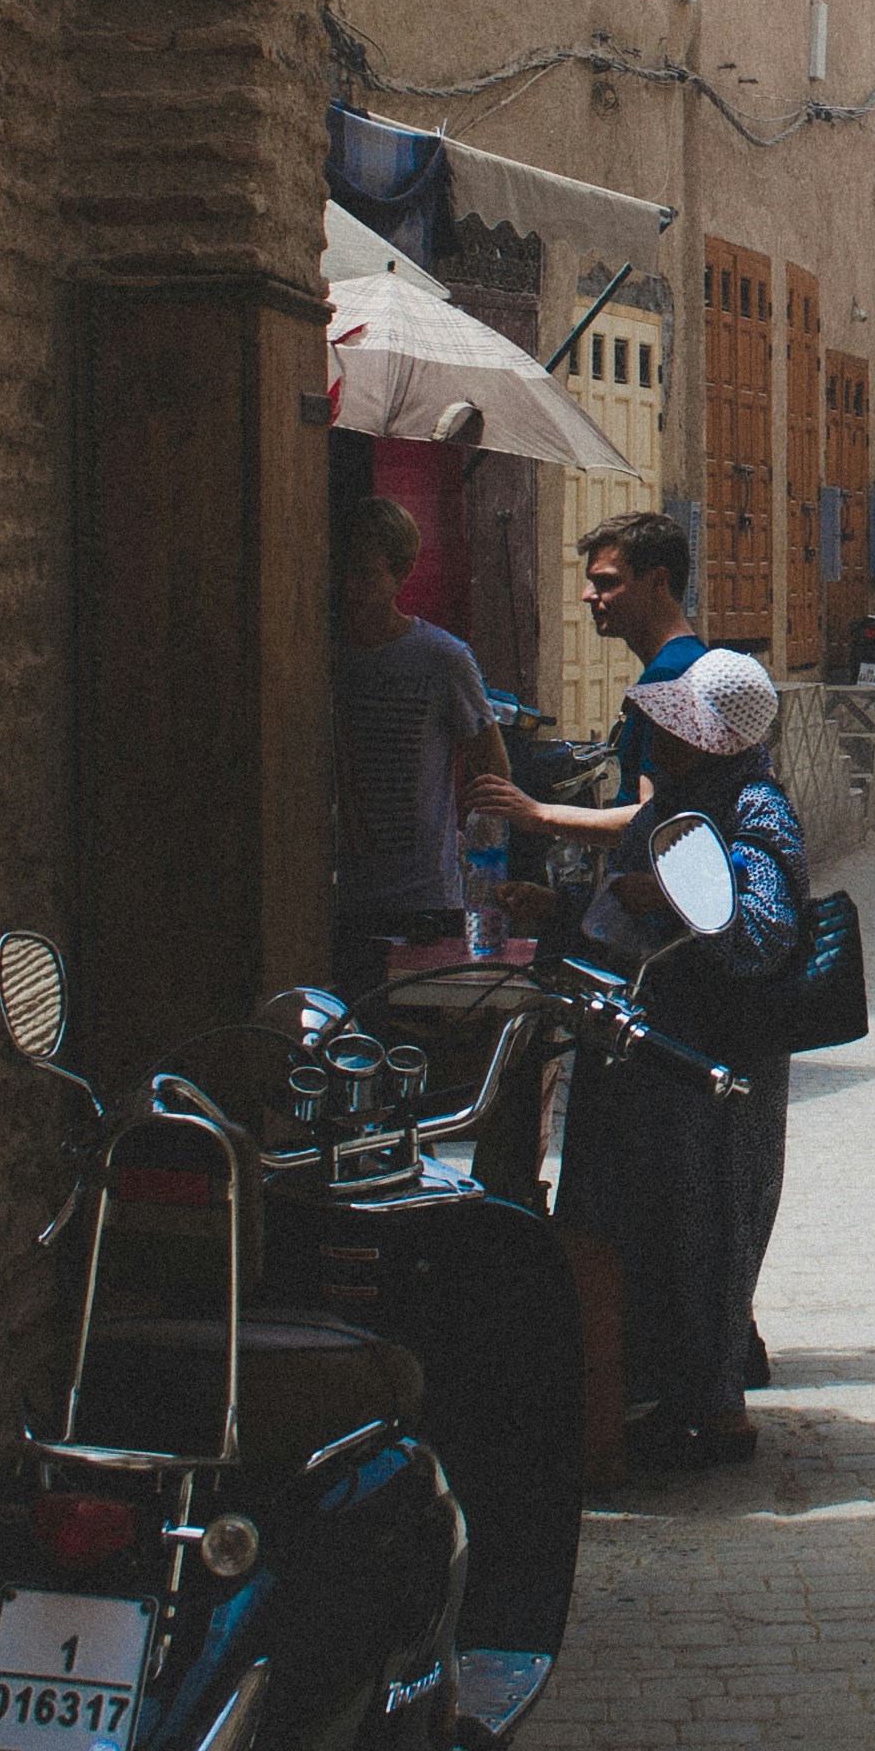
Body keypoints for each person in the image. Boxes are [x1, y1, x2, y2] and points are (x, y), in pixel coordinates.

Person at [564, 646, 805, 1470]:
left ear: (715, 741)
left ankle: (714, 1412)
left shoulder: (754, 812)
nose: (654, 740)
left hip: (712, 1066)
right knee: (653, 1227)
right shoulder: (672, 805)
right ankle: (662, 1396)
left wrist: (663, 902)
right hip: (653, 1054)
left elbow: (759, 934)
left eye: (673, 729)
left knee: (711, 1226)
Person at [333, 496, 509, 997]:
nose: (350, 589)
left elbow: (493, 772)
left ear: (402, 573)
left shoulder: (441, 659)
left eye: (366, 575)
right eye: (343, 572)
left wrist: (480, 879)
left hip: (422, 900)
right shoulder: (315, 650)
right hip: (339, 896)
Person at [466, 508, 706, 861]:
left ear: (658, 582)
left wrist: (538, 814)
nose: (587, 595)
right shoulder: (679, 664)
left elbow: (660, 821)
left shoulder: (670, 676)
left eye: (607, 582)